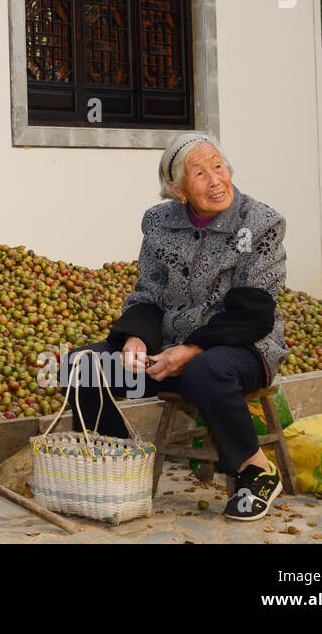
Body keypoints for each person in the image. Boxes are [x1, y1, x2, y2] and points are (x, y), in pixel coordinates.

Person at [61, 132, 288, 521]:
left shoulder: (260, 223)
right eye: (199, 173)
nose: (215, 179)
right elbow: (148, 291)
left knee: (205, 368)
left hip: (241, 348)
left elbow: (253, 311)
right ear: (177, 188)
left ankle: (256, 469)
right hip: (164, 350)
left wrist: (191, 350)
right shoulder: (159, 223)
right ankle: (121, 462)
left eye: (218, 166)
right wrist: (136, 338)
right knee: (82, 365)